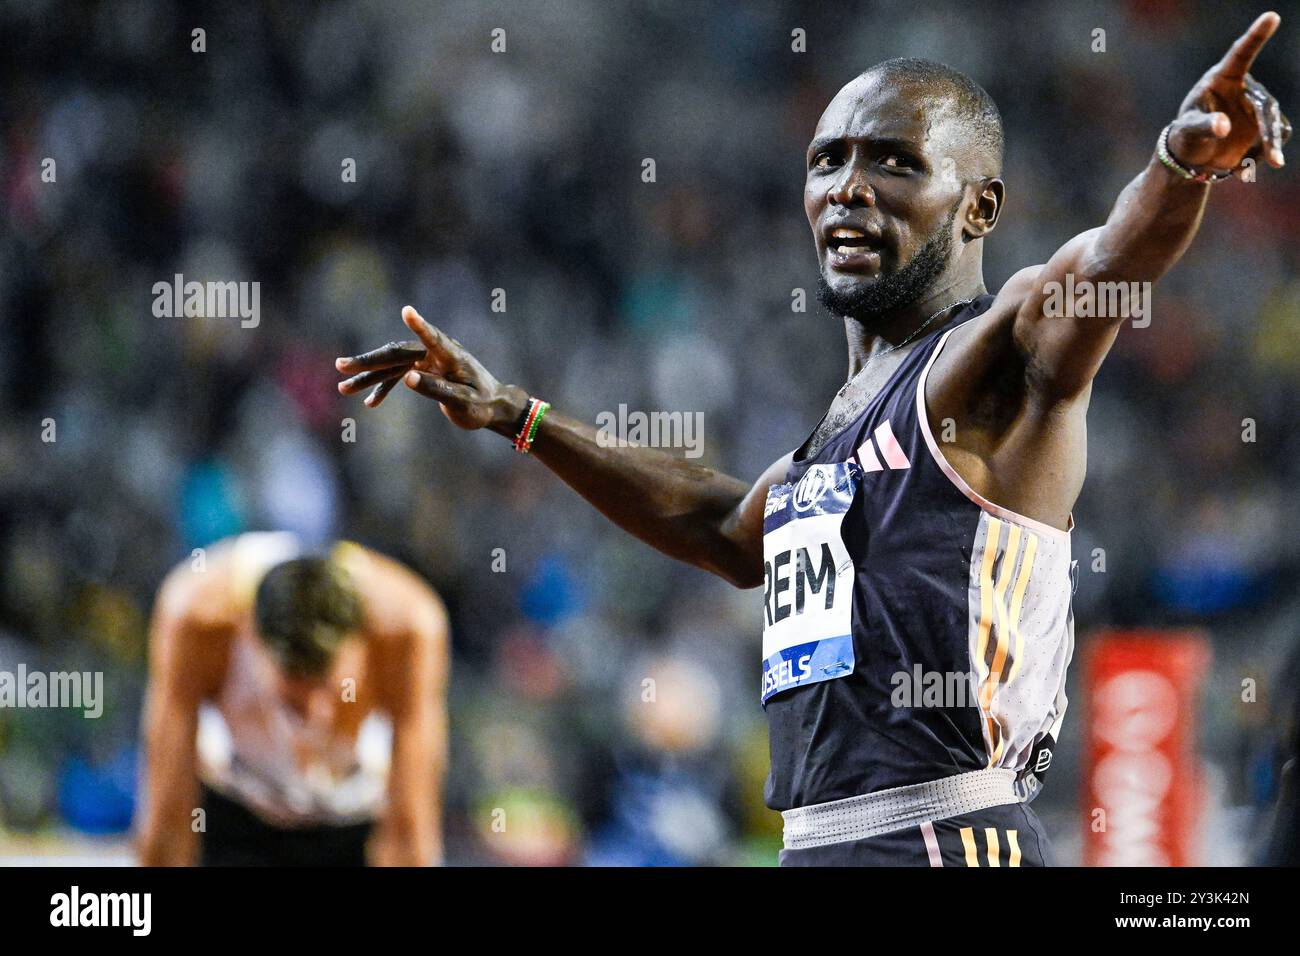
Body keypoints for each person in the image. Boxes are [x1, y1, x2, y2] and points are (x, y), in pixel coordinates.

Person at [337, 13, 1289, 865]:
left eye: (894, 162)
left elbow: (1106, 263)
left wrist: (1183, 163)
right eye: (828, 160)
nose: (849, 189)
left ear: (979, 208)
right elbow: (722, 527)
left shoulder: (992, 361)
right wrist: (517, 414)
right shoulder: (833, 433)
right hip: (820, 841)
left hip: (943, 835)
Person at [137, 532, 449, 866]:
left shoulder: (405, 630)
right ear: (250, 638)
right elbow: (166, 811)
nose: (316, 716)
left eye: (333, 693)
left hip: (351, 823)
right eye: (292, 701)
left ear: (362, 642)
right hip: (237, 817)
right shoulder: (198, 620)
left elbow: (412, 824)